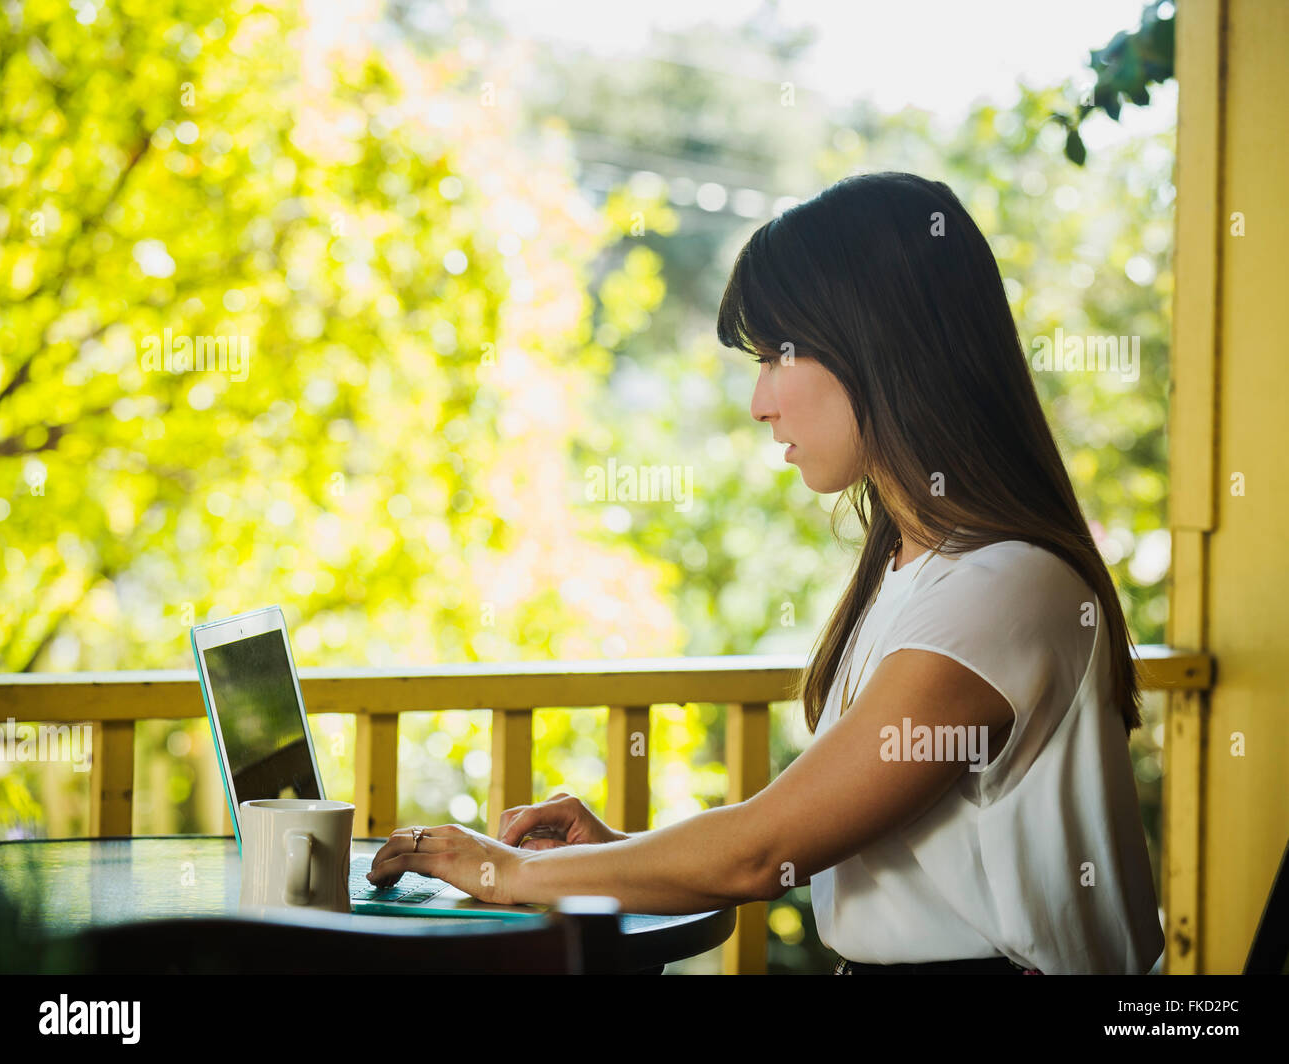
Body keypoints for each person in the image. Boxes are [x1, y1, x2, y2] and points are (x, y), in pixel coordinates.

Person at [368, 171, 1166, 975]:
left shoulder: (1004, 587)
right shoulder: (912, 567)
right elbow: (787, 838)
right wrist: (618, 854)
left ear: (879, 344)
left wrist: (504, 871)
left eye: (776, 357)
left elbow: (761, 851)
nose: (759, 403)